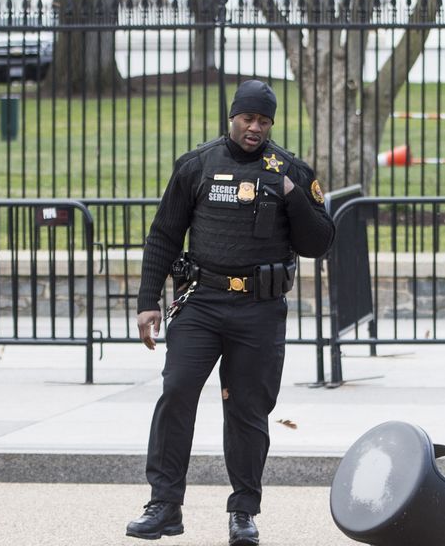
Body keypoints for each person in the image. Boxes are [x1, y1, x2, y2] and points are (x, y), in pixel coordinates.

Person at [126, 80, 335, 545]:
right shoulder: (197, 165)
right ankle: (164, 505)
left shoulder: (290, 170)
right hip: (201, 302)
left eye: (264, 121)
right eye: (247, 118)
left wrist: (290, 194)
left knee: (247, 411)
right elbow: (164, 234)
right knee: (177, 391)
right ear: (232, 118)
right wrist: (147, 302)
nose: (254, 128)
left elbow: (320, 242)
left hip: (259, 310)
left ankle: (243, 512)